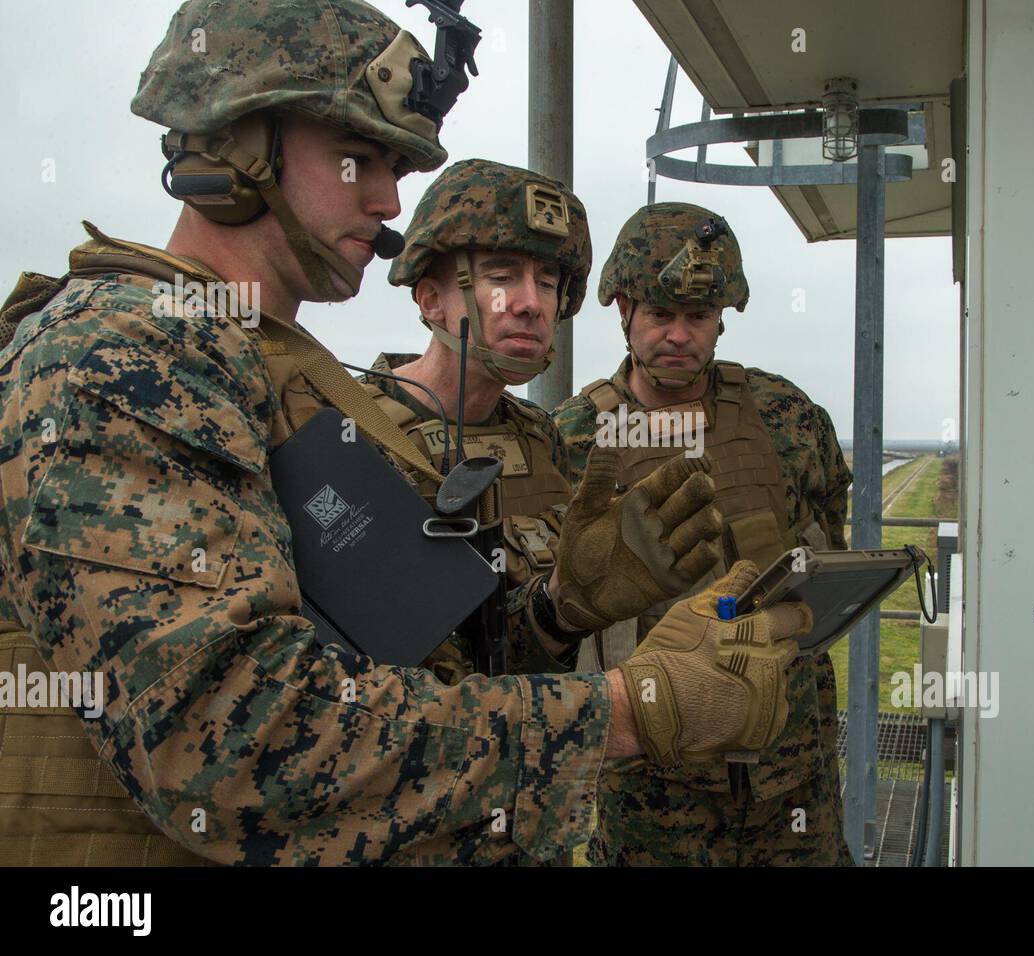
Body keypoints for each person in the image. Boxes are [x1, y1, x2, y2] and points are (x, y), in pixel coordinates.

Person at [0, 1, 807, 867]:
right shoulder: (122, 357)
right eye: (361, 159)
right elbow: (238, 746)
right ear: (239, 143)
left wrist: (555, 608)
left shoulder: (278, 369)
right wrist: (629, 710)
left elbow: (414, 659)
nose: (388, 199)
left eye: (395, 166)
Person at [554, 202, 855, 866]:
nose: (679, 336)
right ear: (624, 310)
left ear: (723, 318)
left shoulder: (788, 417)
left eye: (698, 318)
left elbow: (828, 529)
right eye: (661, 316)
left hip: (789, 765)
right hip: (656, 783)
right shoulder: (576, 436)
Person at [363, 158, 717, 684]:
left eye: (548, 282)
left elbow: (516, 656)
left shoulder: (538, 433)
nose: (531, 304)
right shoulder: (354, 434)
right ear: (431, 298)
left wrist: (564, 607)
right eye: (502, 278)